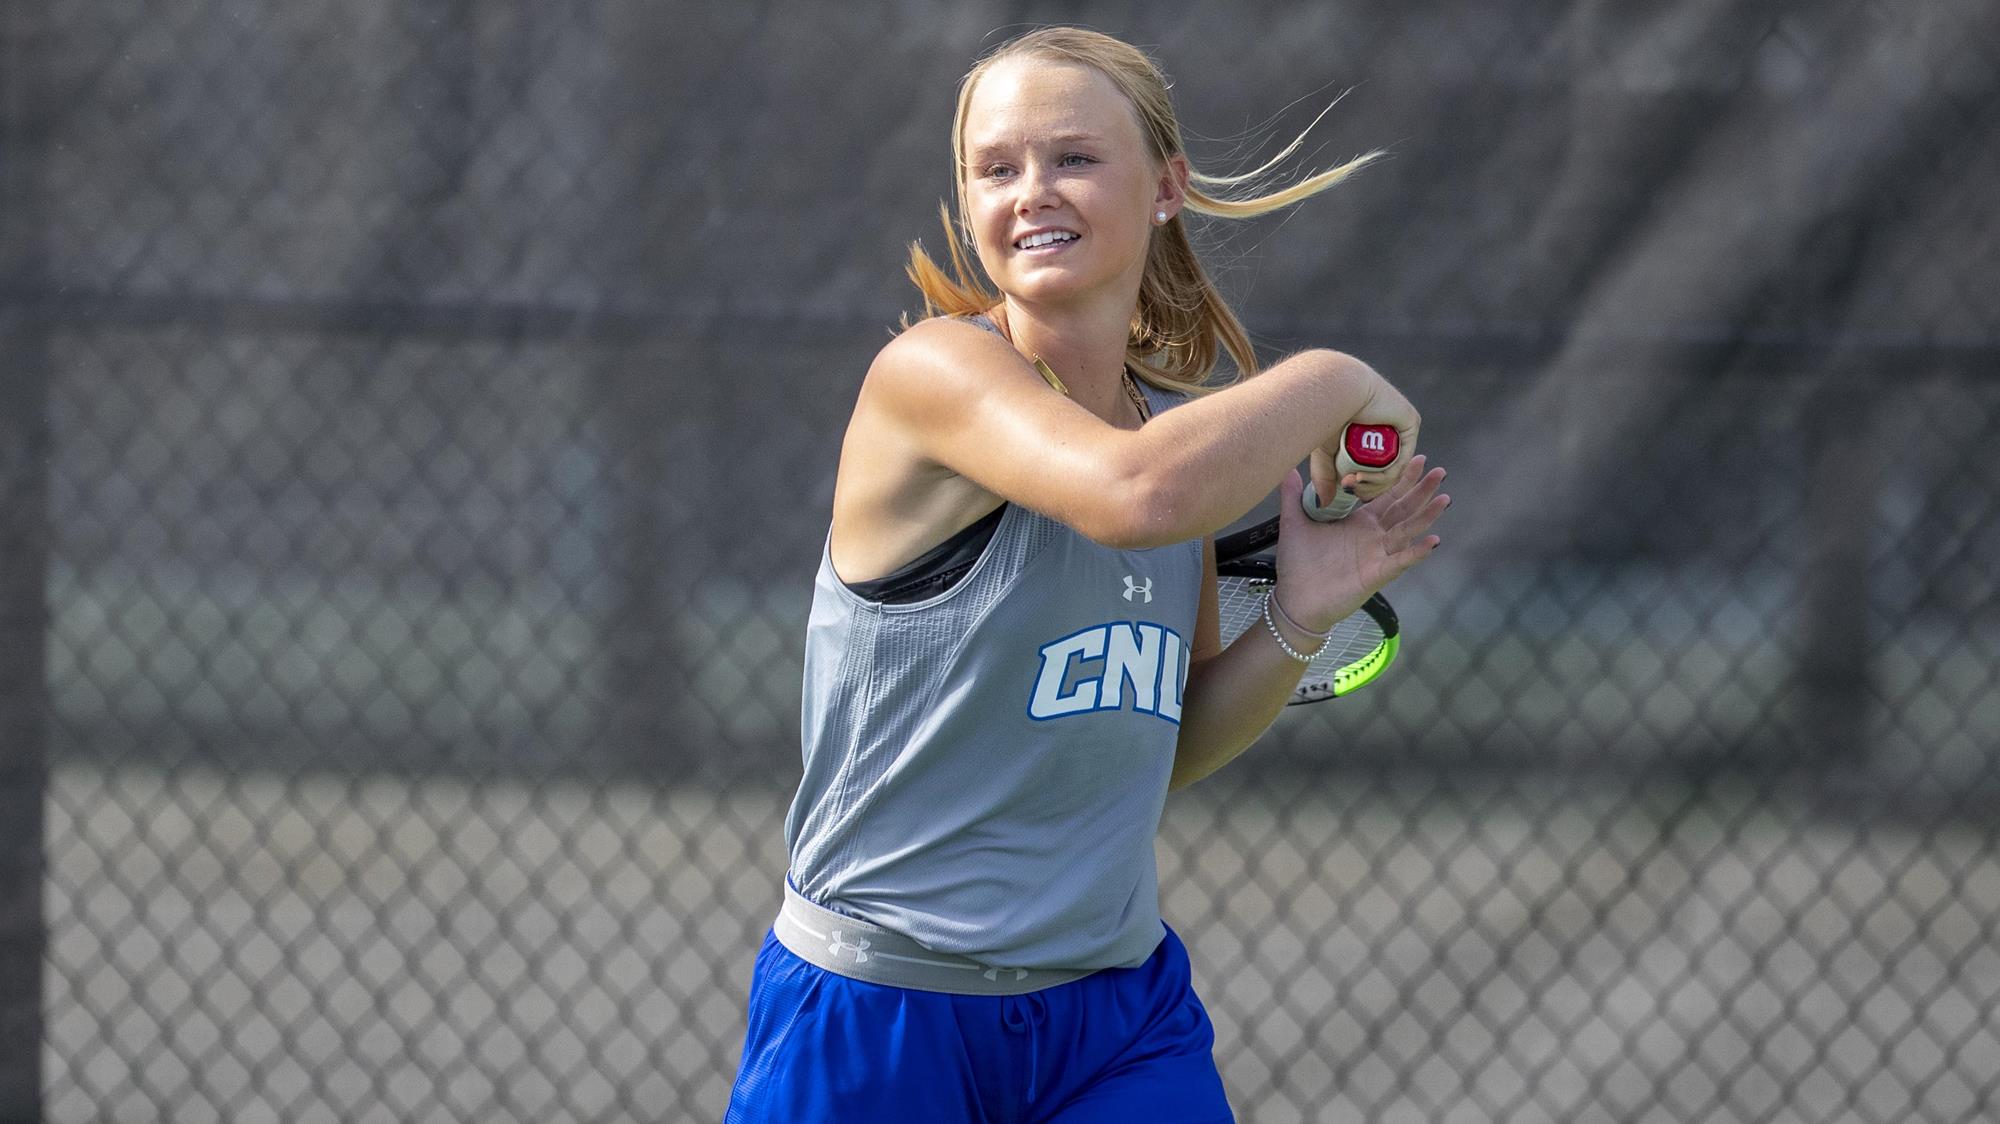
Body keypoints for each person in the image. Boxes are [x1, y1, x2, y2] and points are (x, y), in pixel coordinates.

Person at [725, 26, 1449, 1122]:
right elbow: (1131, 498)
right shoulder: (932, 374)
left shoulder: (1166, 447)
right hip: (878, 1012)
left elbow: (1166, 737)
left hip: (1116, 1027)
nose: (1030, 191)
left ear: (1166, 187)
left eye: (1071, 157)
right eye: (995, 167)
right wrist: (1333, 376)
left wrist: (1300, 610)